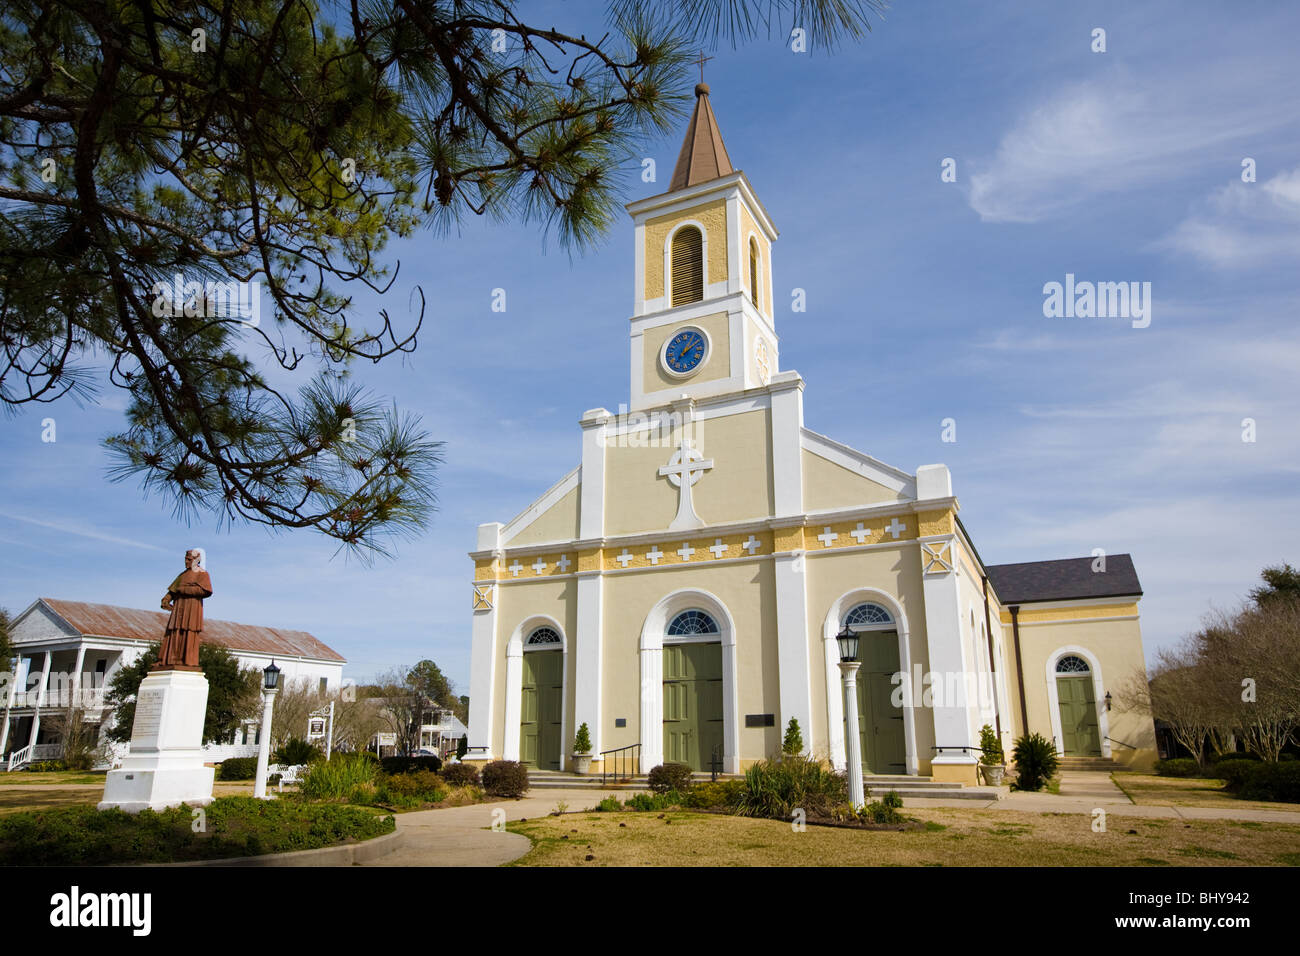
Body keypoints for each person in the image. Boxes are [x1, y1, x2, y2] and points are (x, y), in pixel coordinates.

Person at [156, 549, 213, 670]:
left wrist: (185, 590)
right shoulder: (182, 575)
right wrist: (166, 599)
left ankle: (187, 660)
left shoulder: (202, 574)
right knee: (174, 631)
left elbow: (206, 591)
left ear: (196, 560)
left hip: (192, 608)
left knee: (189, 631)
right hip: (179, 608)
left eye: (189, 559)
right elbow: (172, 590)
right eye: (185, 559)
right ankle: (169, 659)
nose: (186, 561)